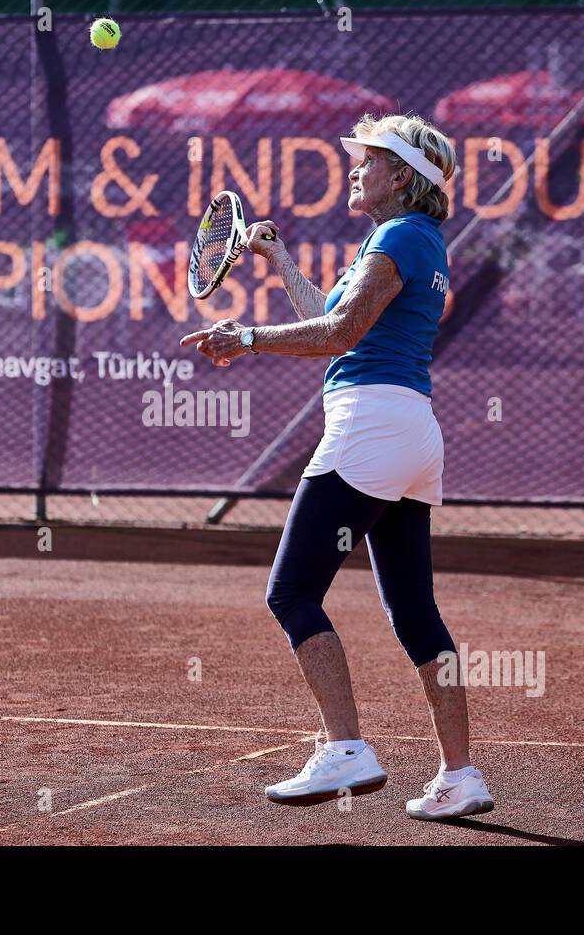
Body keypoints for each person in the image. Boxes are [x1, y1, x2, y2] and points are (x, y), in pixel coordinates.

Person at [179, 113, 494, 820]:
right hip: (412, 434)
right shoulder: (417, 241)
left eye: (369, 160)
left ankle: (346, 747)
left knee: (291, 593)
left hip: (371, 429)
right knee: (414, 611)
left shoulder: (398, 236)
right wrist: (278, 258)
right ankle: (460, 775)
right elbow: (333, 314)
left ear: (404, 178)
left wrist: (247, 338)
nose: (355, 168)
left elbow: (338, 334)